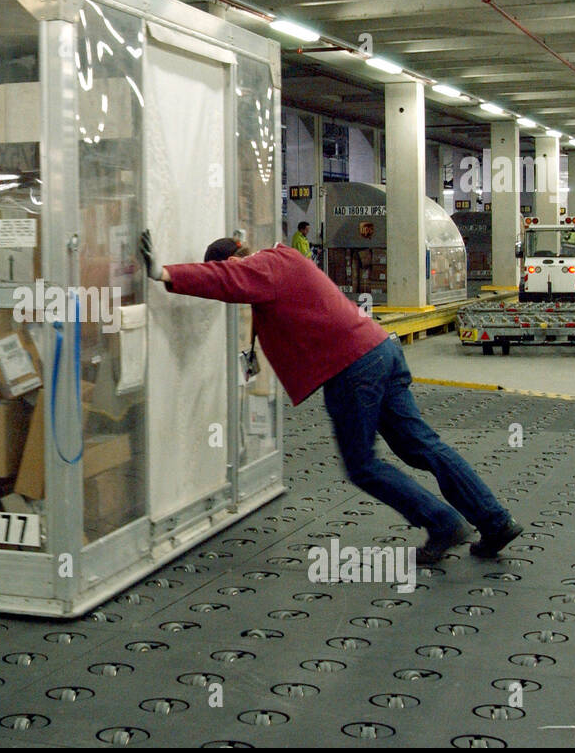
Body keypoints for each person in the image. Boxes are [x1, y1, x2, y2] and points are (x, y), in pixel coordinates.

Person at [139, 231, 522, 564]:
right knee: (422, 445)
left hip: (353, 368)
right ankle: (495, 521)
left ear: (233, 262)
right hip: (379, 350)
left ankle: (443, 524)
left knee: (362, 465)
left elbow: (227, 277)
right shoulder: (282, 261)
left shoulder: (263, 265)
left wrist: (164, 274)